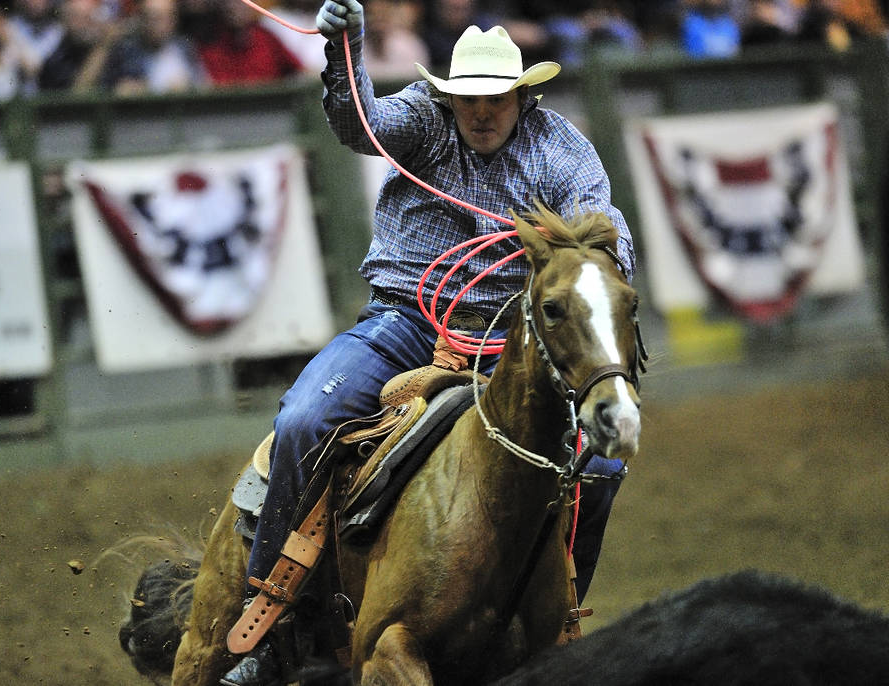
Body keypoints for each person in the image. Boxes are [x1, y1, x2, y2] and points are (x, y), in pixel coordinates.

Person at [219, 2, 636, 683]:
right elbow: (361, 123)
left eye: (494, 99)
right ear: (449, 95)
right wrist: (345, 48)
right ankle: (270, 621)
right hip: (405, 321)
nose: (479, 112)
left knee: (600, 466)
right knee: (304, 418)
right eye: (467, 98)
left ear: (521, 96)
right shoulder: (421, 118)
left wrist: (606, 277)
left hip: (510, 344)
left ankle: (556, 626)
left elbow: (604, 227)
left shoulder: (562, 150)